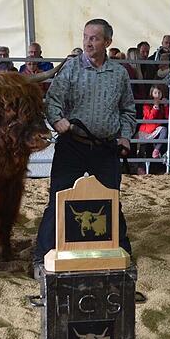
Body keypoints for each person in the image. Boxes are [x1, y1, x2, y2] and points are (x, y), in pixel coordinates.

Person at [33, 18, 135, 272]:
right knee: (58, 199)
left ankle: (122, 252)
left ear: (107, 42)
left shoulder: (119, 74)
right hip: (72, 146)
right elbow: (53, 101)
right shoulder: (70, 69)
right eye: (86, 37)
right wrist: (57, 120)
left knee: (111, 200)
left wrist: (125, 136)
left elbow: (128, 110)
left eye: (95, 38)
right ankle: (41, 258)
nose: (88, 43)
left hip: (106, 148)